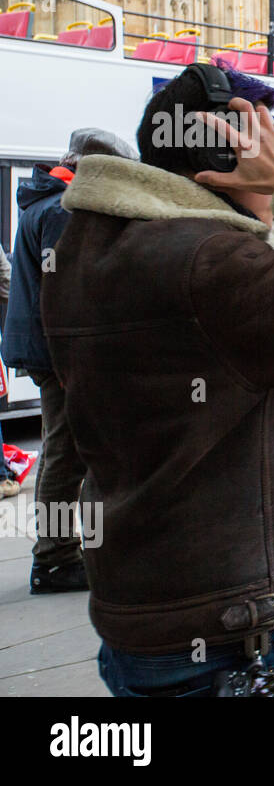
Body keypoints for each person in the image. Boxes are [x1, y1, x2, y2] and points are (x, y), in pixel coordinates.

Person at [42, 65, 274, 696]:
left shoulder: (91, 245)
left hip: (147, 607)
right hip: (229, 629)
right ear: (225, 159)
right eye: (264, 142)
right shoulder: (209, 261)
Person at [2, 128, 138, 593]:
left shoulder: (46, 203)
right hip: (60, 353)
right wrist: (76, 361)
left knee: (65, 450)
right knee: (65, 455)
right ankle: (56, 557)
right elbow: (65, 297)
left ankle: (62, 551)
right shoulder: (63, 210)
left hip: (49, 349)